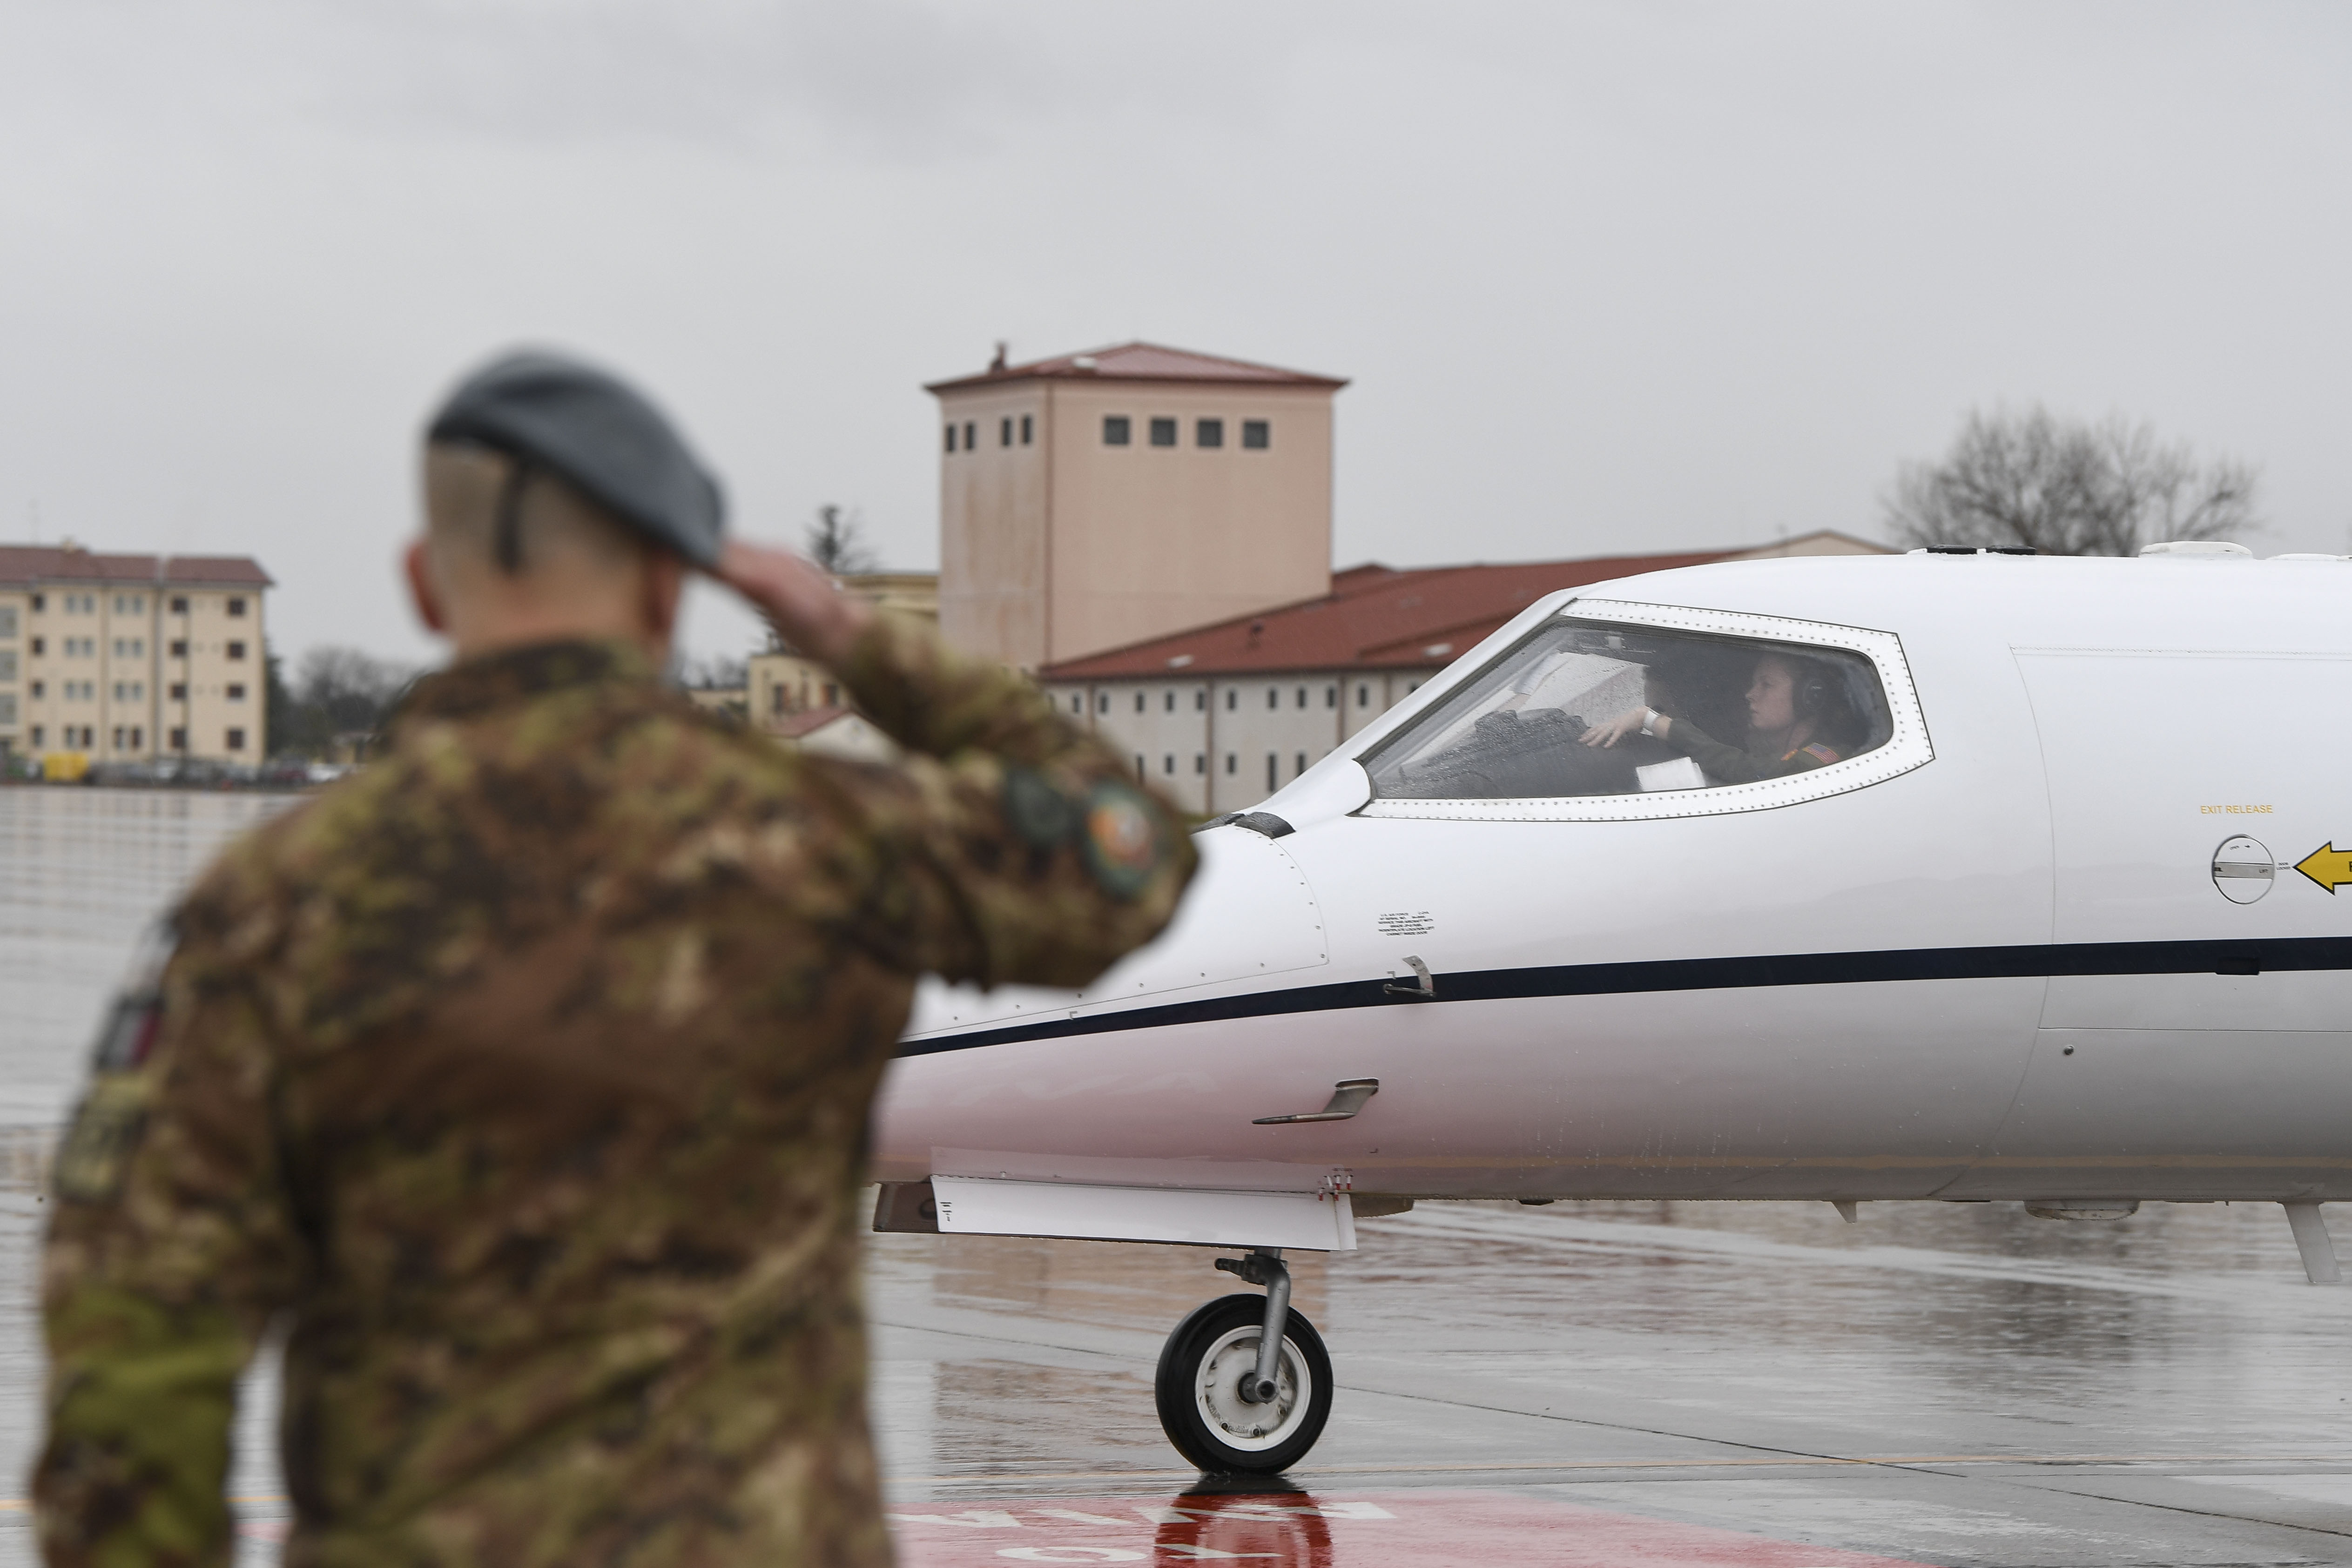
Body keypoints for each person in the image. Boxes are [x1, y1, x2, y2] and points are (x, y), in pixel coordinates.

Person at [33, 350, 1197, 1567]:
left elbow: (136, 1324)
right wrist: (849, 633)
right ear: (665, 584)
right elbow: (1130, 861)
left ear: (427, 585)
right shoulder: (829, 840)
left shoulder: (276, 901)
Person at [1579, 649, 1851, 783]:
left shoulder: (1821, 761)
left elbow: (1751, 772)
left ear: (1809, 698)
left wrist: (1651, 719)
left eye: (1767, 685)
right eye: (1754, 684)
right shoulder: (1756, 746)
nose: (1751, 695)